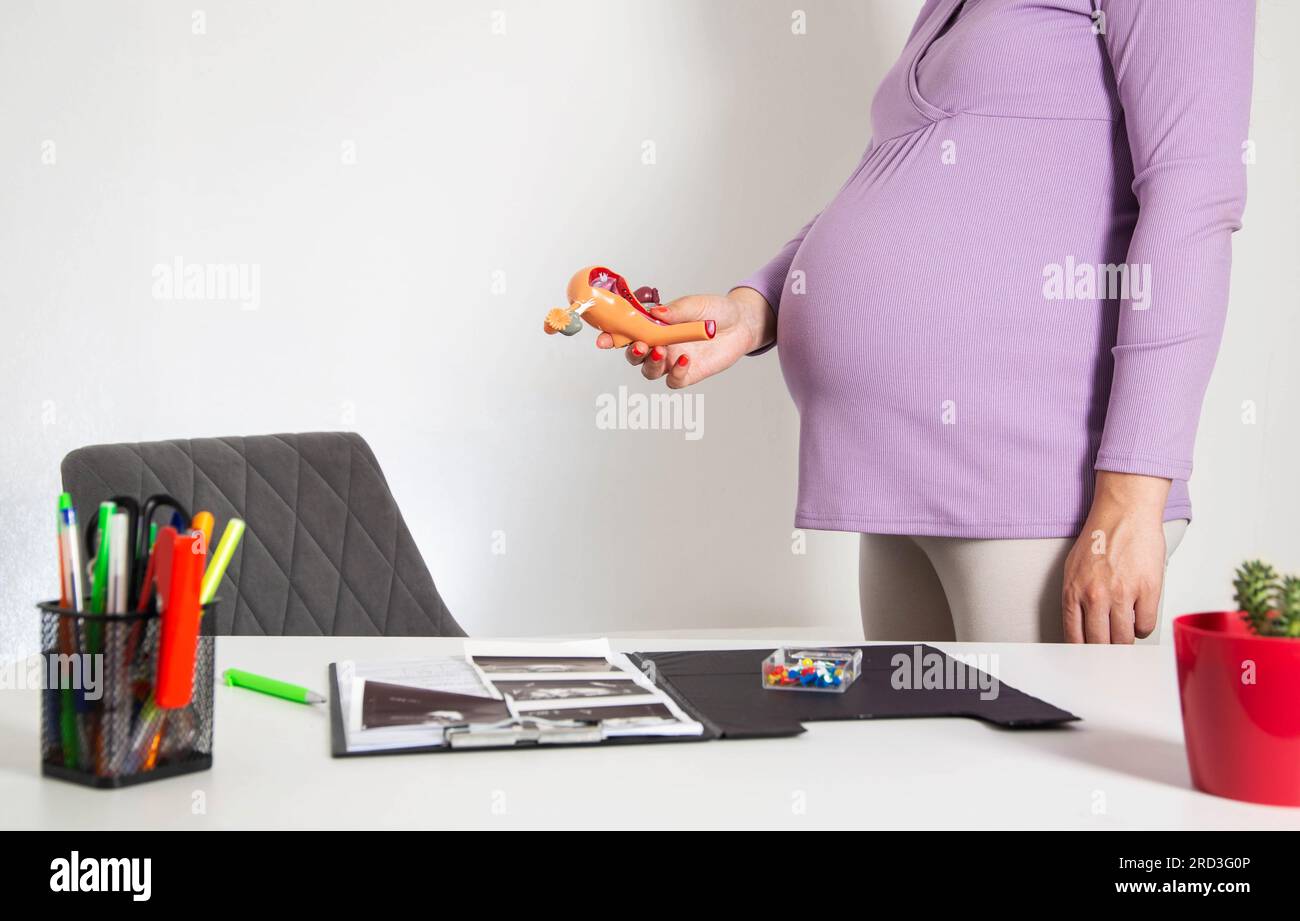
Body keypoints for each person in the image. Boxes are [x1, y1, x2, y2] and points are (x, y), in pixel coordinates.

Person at [597, 0, 1256, 643]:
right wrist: (755, 308)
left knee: (1027, 754)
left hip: (1036, 486)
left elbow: (1192, 203)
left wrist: (1131, 502)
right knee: (922, 752)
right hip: (897, 486)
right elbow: (906, 173)